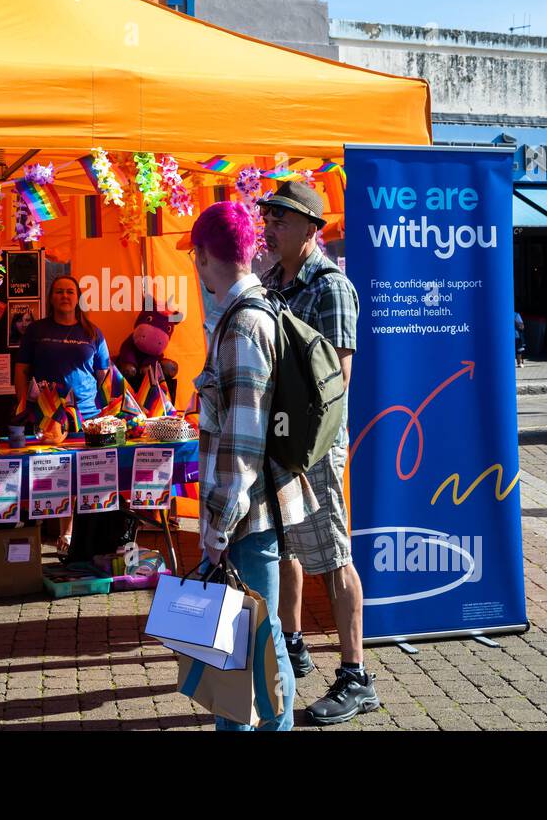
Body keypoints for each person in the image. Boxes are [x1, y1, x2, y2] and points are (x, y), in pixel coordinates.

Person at [256, 179, 379, 725]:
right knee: (285, 547)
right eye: (269, 216)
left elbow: (337, 381)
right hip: (273, 439)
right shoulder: (267, 281)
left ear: (312, 228)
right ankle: (293, 642)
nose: (271, 225)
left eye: (282, 218)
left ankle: (356, 676)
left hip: (314, 446)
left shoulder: (331, 288)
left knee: (334, 556)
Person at [191, 200, 317, 731]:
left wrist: (217, 526)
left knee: (257, 653)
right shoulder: (254, 310)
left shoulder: (242, 327)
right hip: (258, 509)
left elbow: (242, 441)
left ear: (201, 256)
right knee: (245, 652)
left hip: (247, 517)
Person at [15, 275, 111, 556]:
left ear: (77, 297)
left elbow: (104, 376)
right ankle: (64, 533)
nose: (64, 296)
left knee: (87, 475)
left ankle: (88, 537)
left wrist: (107, 413)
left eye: (70, 291)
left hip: (87, 415)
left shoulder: (93, 332)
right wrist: (23, 406)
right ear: (51, 297)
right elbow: (21, 370)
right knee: (57, 474)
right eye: (59, 291)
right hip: (48, 415)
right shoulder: (36, 331)